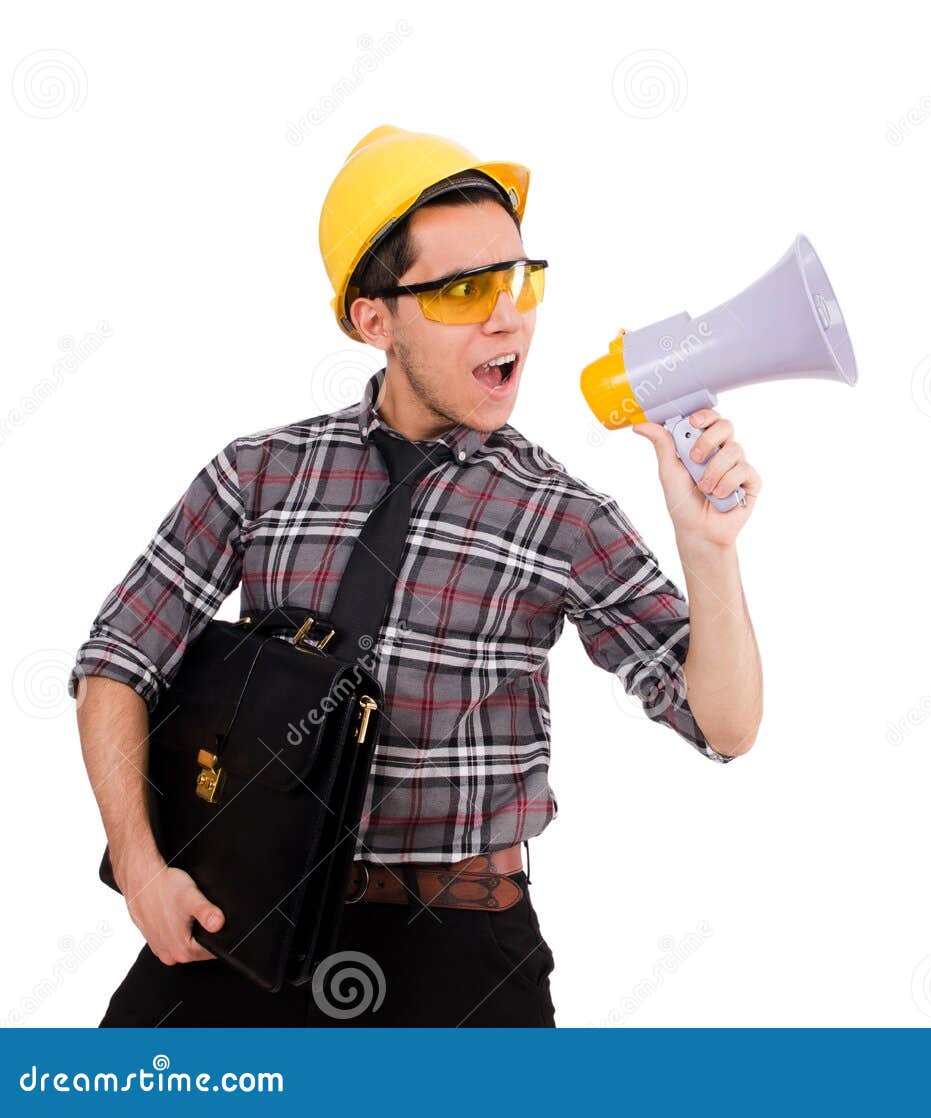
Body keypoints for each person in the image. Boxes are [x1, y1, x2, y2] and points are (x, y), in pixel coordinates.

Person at [70, 125, 764, 1027]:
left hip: (460, 962)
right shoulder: (258, 473)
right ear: (374, 318)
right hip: (234, 928)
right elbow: (117, 660)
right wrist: (138, 869)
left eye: (519, 280)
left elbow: (725, 724)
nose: (507, 316)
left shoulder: (562, 513)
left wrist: (708, 548)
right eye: (463, 290)